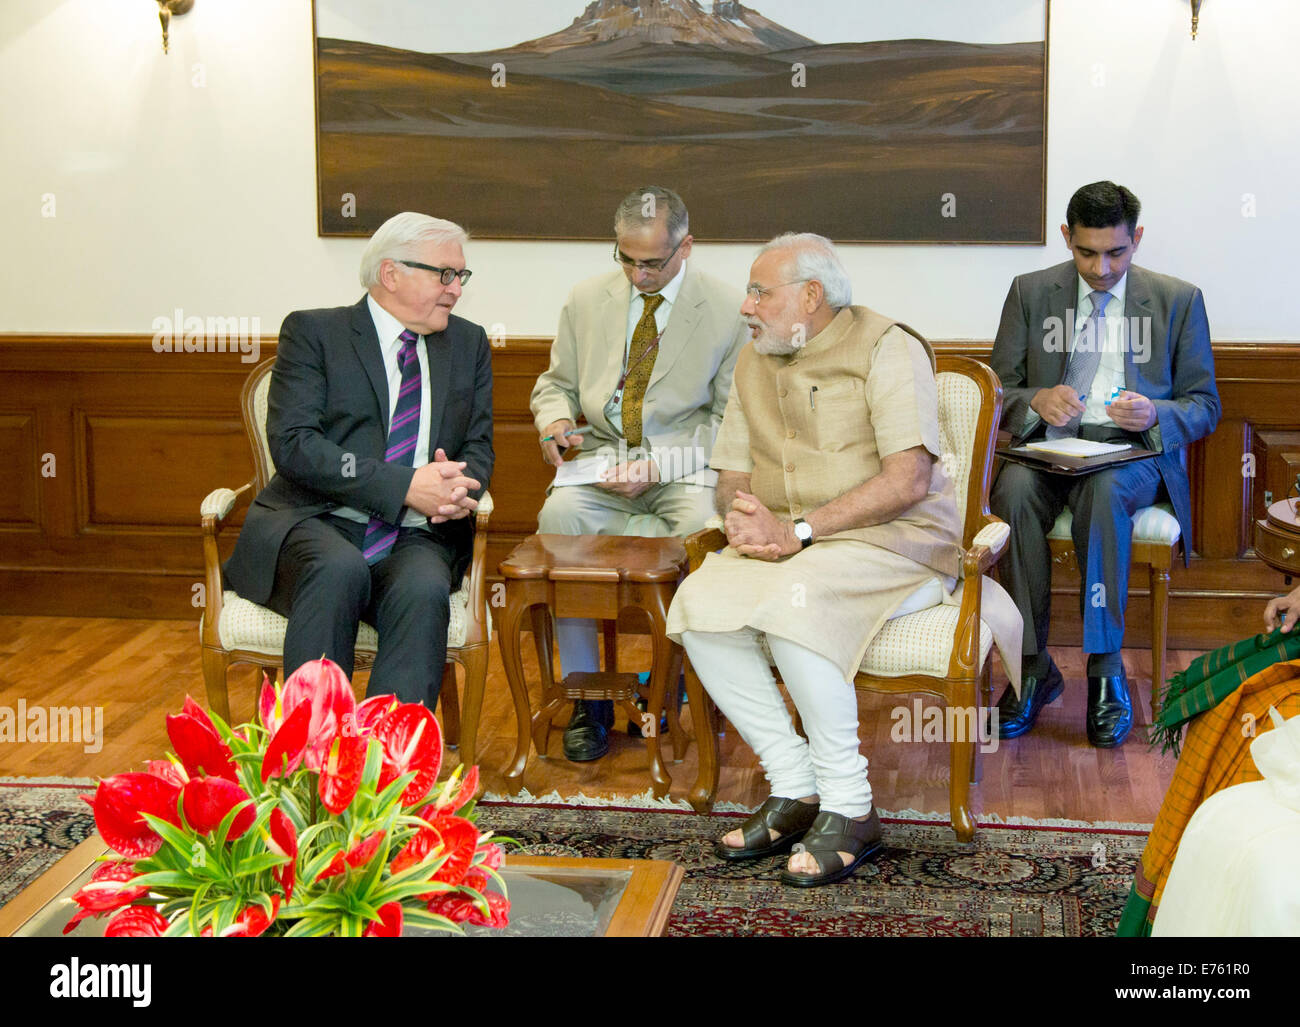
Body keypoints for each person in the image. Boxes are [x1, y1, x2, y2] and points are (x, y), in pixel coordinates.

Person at [666, 233, 965, 887]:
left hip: (898, 542)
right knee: (698, 602)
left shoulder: (888, 347)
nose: (744, 304)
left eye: (758, 291)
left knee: (794, 605)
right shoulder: (753, 358)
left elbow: (910, 478)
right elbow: (732, 473)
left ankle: (850, 804)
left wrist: (798, 530)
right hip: (795, 542)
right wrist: (743, 515)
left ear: (810, 295)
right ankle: (795, 783)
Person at [223, 212, 493, 711]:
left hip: (418, 533)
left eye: (462, 276)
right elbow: (295, 444)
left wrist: (458, 489)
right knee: (338, 569)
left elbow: (478, 446)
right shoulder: (315, 333)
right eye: (445, 274)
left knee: (423, 587)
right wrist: (404, 486)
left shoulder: (468, 343)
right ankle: (312, 758)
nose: (456, 288)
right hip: (314, 520)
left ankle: (391, 768)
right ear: (391, 274)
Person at [988, 181, 1220, 748]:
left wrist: (1155, 412)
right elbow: (998, 391)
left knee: (1106, 491)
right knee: (1011, 492)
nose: (1101, 266)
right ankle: (1030, 670)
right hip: (1050, 449)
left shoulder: (1177, 299)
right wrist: (1036, 399)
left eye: (1116, 252)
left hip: (1130, 454)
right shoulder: (1029, 292)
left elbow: (1206, 405)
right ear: (1066, 238)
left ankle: (1105, 671)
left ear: (1136, 239)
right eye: (1086, 252)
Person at [530, 185, 747, 761]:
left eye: (651, 262)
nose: (638, 274)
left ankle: (674, 680)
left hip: (685, 468)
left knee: (708, 527)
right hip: (602, 460)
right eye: (625, 259)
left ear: (687, 247)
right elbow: (556, 385)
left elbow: (730, 421)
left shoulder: (728, 309)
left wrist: (659, 465)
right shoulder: (585, 299)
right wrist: (554, 423)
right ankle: (588, 698)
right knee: (557, 517)